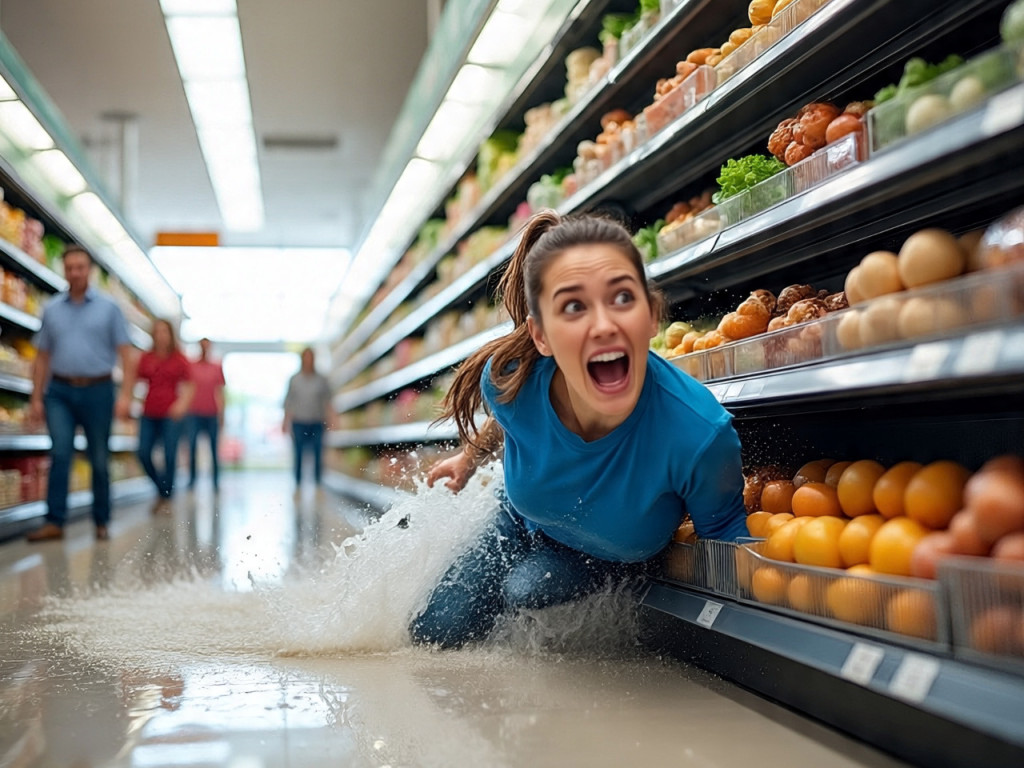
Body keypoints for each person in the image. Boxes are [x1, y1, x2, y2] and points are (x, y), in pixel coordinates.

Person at [412, 211, 749, 648]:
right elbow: (515, 418)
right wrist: (468, 458)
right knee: (433, 633)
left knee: (524, 589)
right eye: (573, 306)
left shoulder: (699, 434)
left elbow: (724, 536)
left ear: (651, 317)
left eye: (622, 298)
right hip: (520, 518)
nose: (604, 325)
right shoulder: (508, 378)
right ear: (541, 337)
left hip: (609, 556)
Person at [25, 245, 137, 542]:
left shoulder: (109, 308)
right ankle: (54, 522)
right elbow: (42, 357)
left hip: (99, 391)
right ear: (64, 270)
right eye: (70, 267)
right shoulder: (51, 309)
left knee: (99, 459)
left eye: (81, 267)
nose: (75, 272)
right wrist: (36, 398)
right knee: (60, 453)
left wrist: (126, 395)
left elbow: (126, 355)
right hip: (59, 391)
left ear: (90, 271)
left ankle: (101, 521)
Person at [127, 319, 193, 513]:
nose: (161, 335)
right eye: (157, 331)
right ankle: (161, 489)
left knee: (169, 454)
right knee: (143, 451)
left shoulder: (179, 358)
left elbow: (190, 385)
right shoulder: (146, 358)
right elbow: (133, 379)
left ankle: (166, 498)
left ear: (170, 334)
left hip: (171, 414)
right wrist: (129, 402)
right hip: (149, 412)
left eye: (164, 331)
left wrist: (181, 405)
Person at [282, 347, 333, 489]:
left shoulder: (322, 380)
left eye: (311, 357)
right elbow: (288, 402)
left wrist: (332, 419)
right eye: (306, 357)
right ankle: (298, 483)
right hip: (299, 422)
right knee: (298, 453)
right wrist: (285, 422)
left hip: (317, 422)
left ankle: (317, 483)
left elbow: (328, 401)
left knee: (318, 453)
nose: (309, 360)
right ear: (302, 359)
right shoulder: (294, 380)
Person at [185, 337, 226, 492]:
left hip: (212, 413)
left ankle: (216, 481)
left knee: (214, 449)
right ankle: (192, 480)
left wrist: (222, 414)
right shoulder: (191, 366)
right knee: (192, 447)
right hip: (194, 413)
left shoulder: (216, 367)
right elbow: (187, 388)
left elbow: (221, 392)